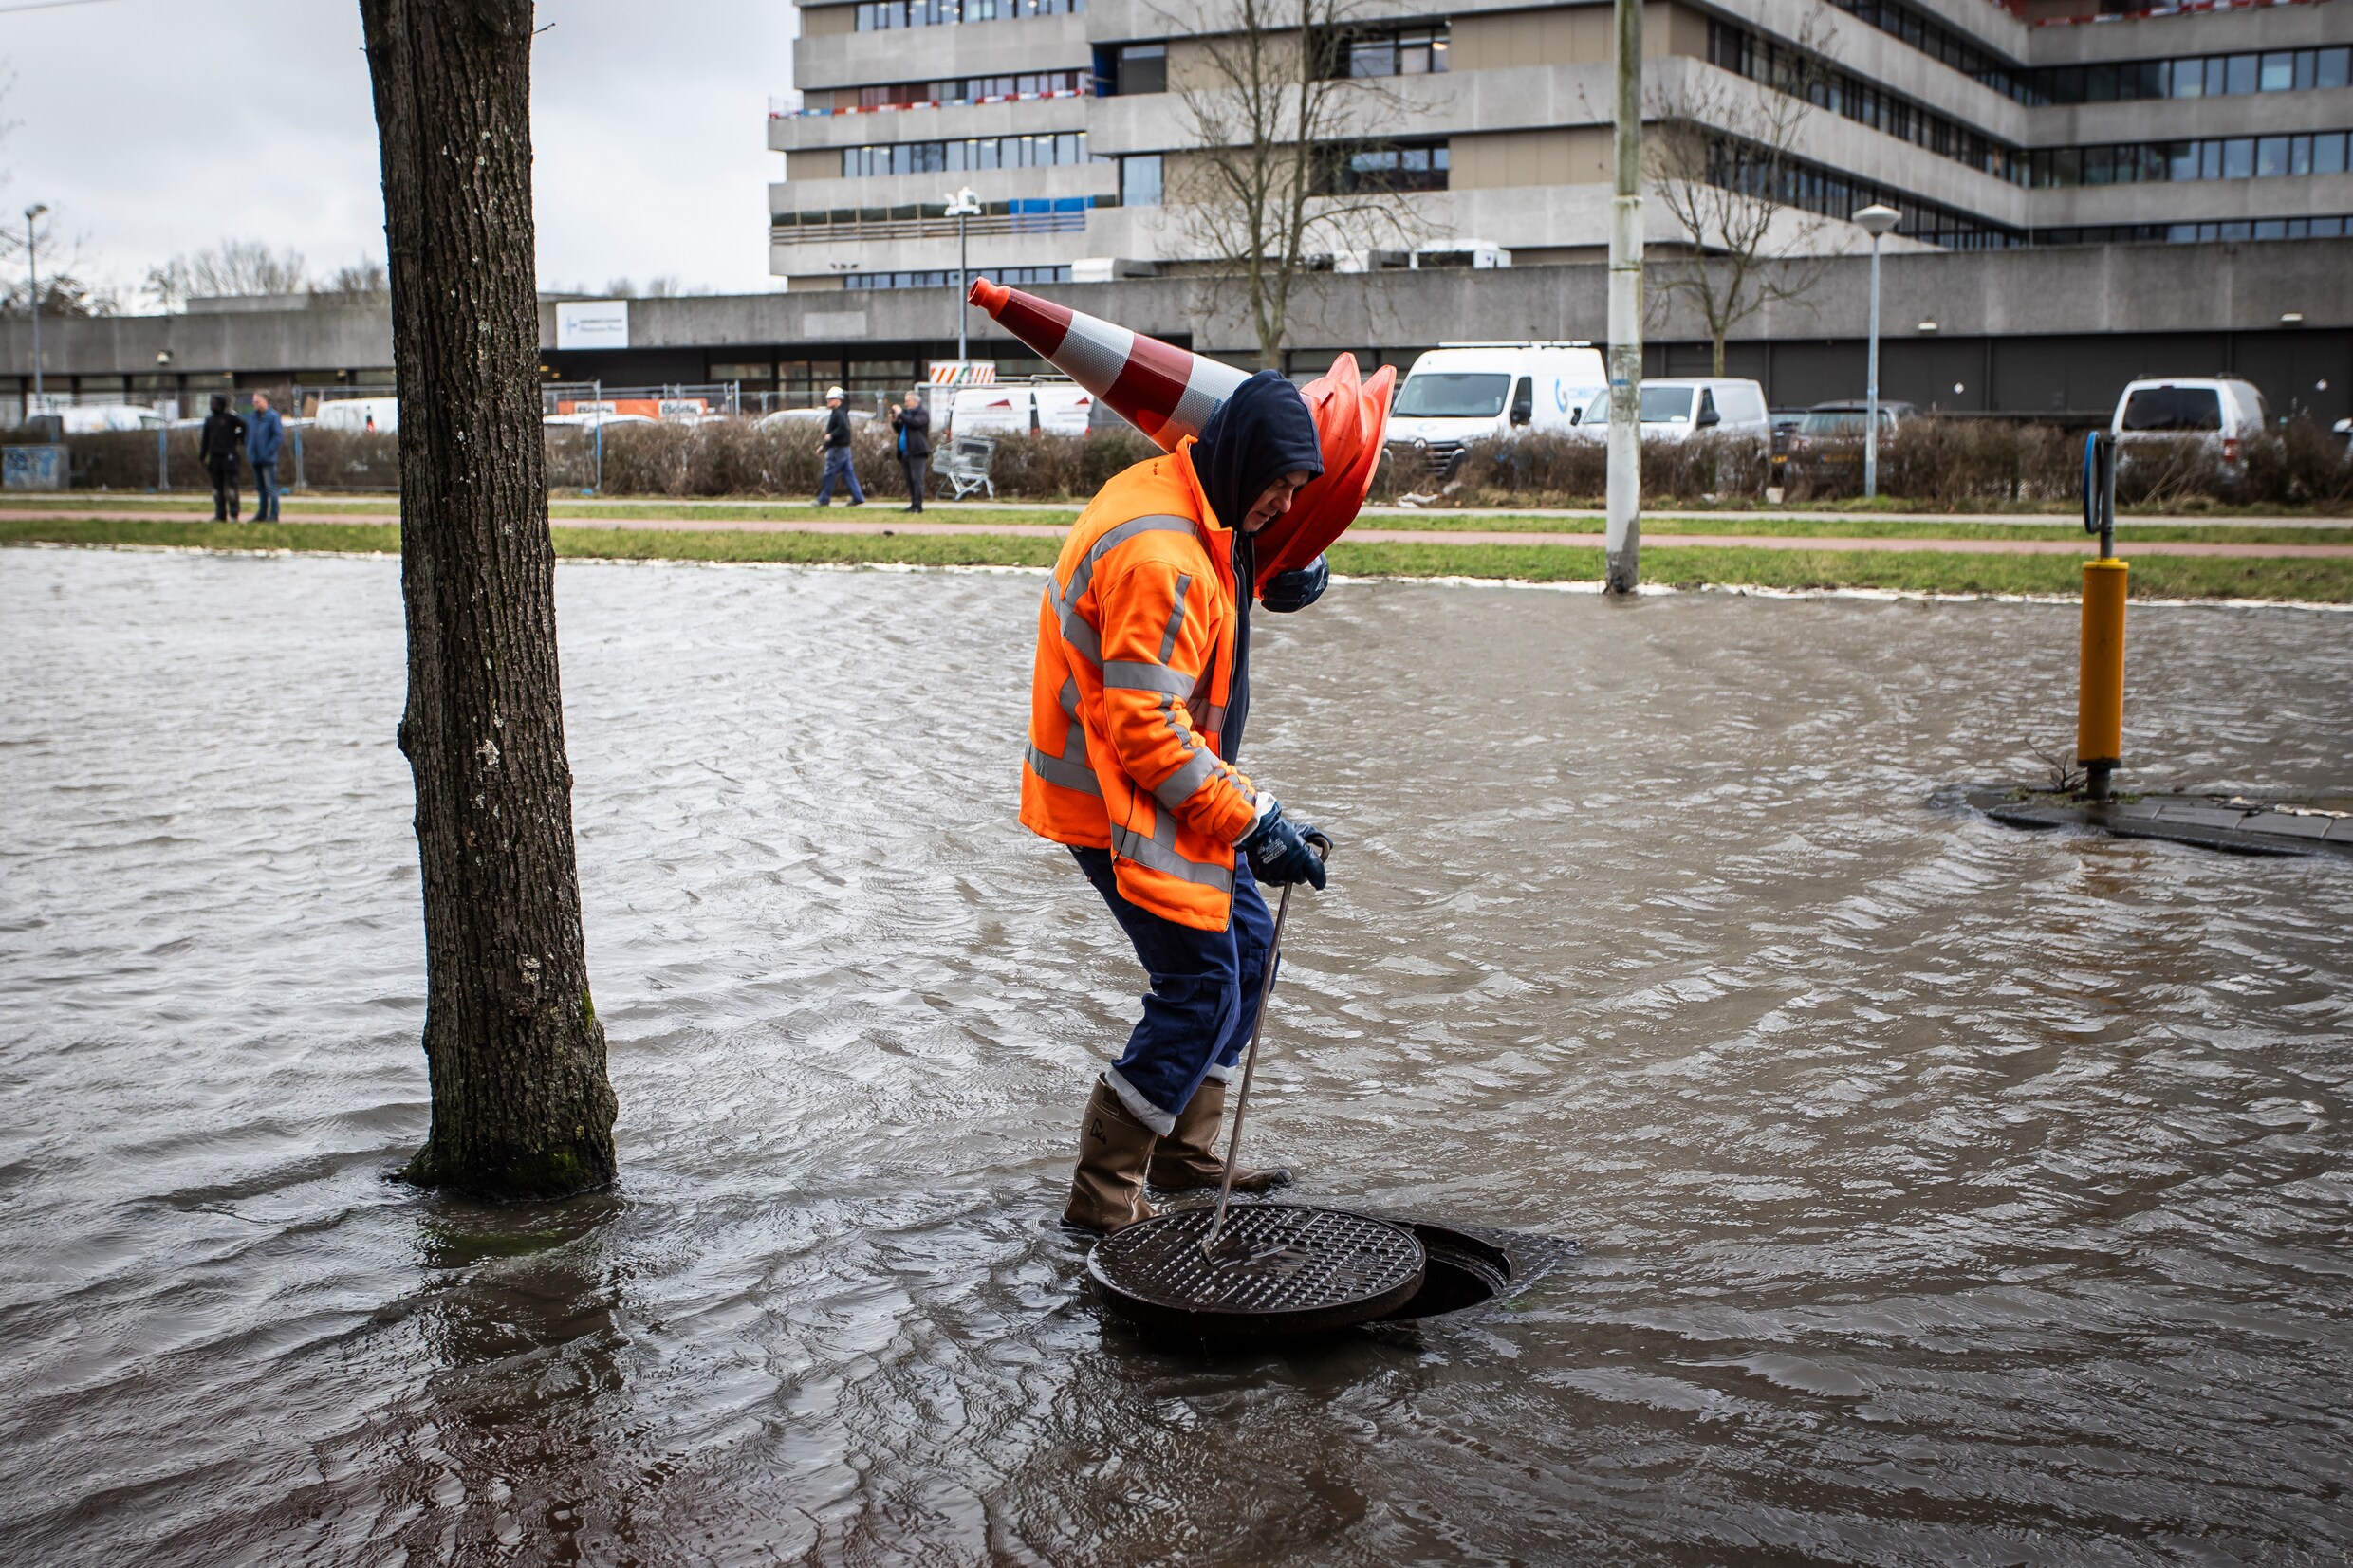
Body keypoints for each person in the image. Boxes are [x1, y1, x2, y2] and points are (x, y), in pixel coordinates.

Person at [1022, 371, 1339, 1233]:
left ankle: (1185, 1152)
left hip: (1151, 784)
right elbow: (1150, 736)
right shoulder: (1163, 558)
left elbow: (1174, 696)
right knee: (1201, 986)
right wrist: (1257, 819)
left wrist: (1288, 557)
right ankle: (1101, 1197)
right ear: (1242, 464)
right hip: (1115, 799)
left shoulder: (1197, 497)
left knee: (1249, 946)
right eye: (1276, 486)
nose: (1279, 503)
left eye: (1294, 490)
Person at [813, 385, 864, 506]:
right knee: (848, 473)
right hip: (844, 449)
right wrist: (825, 446)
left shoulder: (838, 413)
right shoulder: (842, 412)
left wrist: (831, 435)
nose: (828, 402)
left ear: (838, 400)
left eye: (830, 400)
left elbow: (843, 428)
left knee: (829, 474)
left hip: (837, 450)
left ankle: (824, 499)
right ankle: (858, 497)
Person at [198, 394, 248, 522]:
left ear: (221, 404)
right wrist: (202, 457)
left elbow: (245, 426)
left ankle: (233, 514)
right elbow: (205, 440)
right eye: (211, 403)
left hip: (228, 457)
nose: (212, 405)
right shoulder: (209, 421)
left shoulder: (230, 418)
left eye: (214, 403)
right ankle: (220, 515)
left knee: (231, 487)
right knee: (217, 488)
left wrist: (239, 438)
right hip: (214, 459)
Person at [890, 388, 931, 513]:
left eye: (908, 401)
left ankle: (918, 506)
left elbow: (915, 423)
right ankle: (913, 504)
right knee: (909, 480)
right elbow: (900, 429)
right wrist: (894, 421)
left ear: (915, 401)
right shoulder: (907, 414)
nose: (906, 403)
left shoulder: (922, 413)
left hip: (917, 452)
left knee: (916, 479)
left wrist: (901, 413)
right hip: (905, 453)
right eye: (905, 401)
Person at [245, 392, 285, 522]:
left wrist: (268, 451)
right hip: (255, 458)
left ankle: (274, 514)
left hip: (267, 459)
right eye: (253, 401)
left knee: (270, 488)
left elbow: (278, 436)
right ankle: (261, 514)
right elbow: (249, 435)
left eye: (257, 401)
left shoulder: (272, 416)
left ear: (265, 401)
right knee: (260, 488)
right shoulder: (253, 417)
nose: (254, 404)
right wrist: (250, 450)